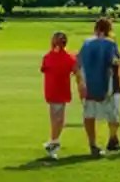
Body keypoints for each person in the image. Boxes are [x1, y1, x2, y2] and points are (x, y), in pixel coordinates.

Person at [76, 17, 120, 157]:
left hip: (89, 84)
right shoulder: (111, 44)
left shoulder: (86, 43)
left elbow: (78, 63)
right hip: (109, 85)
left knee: (89, 115)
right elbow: (117, 62)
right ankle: (113, 138)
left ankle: (93, 144)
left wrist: (80, 82)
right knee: (113, 115)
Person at [40, 31, 81, 159]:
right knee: (59, 118)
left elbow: (44, 69)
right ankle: (54, 141)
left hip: (51, 90)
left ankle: (53, 142)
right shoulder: (69, 58)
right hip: (62, 90)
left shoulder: (47, 57)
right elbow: (76, 72)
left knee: (55, 118)